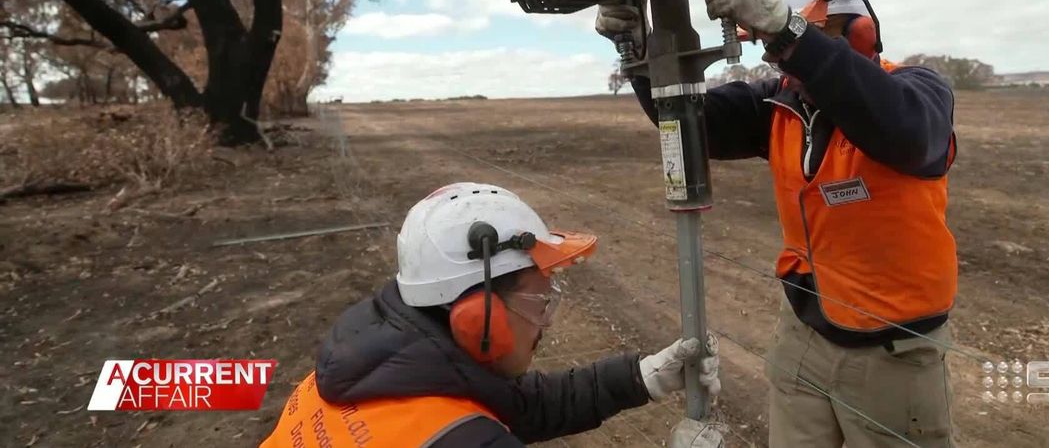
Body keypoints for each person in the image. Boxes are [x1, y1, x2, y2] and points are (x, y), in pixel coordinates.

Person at [597, 0, 958, 447]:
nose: (778, 59)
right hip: (803, 338)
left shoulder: (918, 93)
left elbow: (905, 131)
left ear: (859, 33)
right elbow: (687, 124)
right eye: (771, 47)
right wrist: (639, 56)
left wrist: (790, 34)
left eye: (787, 42)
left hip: (892, 355)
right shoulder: (780, 102)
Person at [259, 182, 722, 448]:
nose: (548, 323)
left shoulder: (362, 372)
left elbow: (517, 403)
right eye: (540, 304)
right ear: (473, 316)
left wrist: (642, 378)